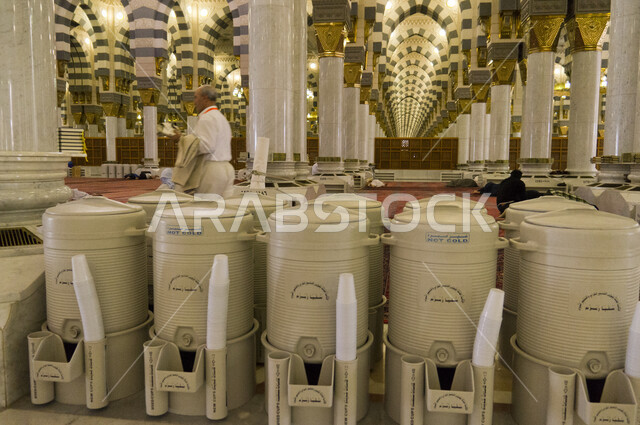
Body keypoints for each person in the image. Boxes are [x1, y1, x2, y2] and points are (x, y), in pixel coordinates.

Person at [170, 85, 234, 196]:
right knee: (225, 209)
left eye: (196, 97)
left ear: (205, 98)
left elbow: (206, 146)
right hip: (227, 169)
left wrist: (180, 139)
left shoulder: (207, 118)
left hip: (212, 170)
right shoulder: (221, 117)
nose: (194, 102)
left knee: (206, 209)